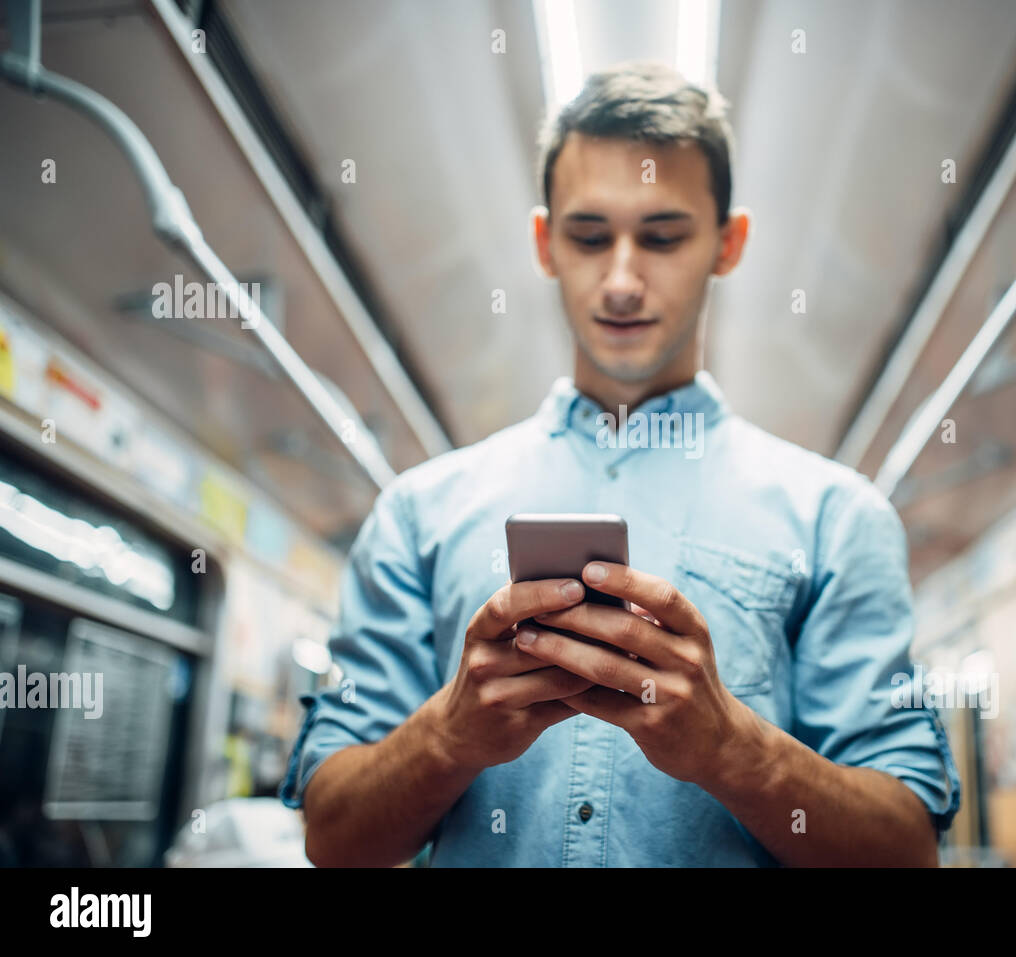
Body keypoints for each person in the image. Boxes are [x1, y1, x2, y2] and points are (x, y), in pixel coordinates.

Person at [280, 59, 961, 867]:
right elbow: (333, 838)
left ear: (728, 243)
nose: (623, 280)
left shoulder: (838, 519)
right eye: (589, 236)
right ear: (544, 243)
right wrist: (449, 734)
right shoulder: (417, 513)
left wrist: (728, 746)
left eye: (664, 236)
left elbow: (909, 848)